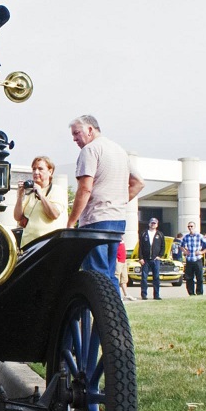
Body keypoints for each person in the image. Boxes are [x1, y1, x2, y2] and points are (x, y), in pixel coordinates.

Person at [67, 115, 145, 289]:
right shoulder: (118, 150)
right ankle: (116, 316)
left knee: (95, 277)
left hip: (95, 221)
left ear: (90, 130)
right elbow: (139, 182)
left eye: (76, 133)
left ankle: (99, 315)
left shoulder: (90, 150)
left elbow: (85, 189)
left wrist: (71, 222)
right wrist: (119, 201)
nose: (74, 139)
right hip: (117, 221)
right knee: (110, 276)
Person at [12, 155, 66, 247]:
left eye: (40, 169)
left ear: (50, 171)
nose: (36, 172)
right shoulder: (31, 194)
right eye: (34, 169)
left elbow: (54, 214)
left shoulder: (57, 190)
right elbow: (17, 217)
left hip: (47, 245)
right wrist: (20, 196)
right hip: (28, 245)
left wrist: (41, 195)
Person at [179, 221, 206, 296]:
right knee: (189, 277)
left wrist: (202, 252)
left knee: (199, 277)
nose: (190, 228)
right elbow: (181, 245)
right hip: (189, 259)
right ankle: (191, 293)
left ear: (194, 227)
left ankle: (199, 292)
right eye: (189, 226)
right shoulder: (186, 237)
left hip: (197, 259)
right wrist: (185, 251)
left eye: (191, 226)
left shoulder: (199, 236)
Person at [138, 217, 165, 300]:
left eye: (154, 223)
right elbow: (140, 247)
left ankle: (156, 295)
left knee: (156, 277)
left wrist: (159, 256)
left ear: (157, 225)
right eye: (151, 223)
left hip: (155, 260)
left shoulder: (160, 234)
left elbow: (163, 246)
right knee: (144, 278)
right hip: (145, 260)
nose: (153, 224)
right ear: (149, 224)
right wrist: (141, 258)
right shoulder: (143, 233)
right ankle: (144, 294)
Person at [115, 236, 133, 300]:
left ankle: (126, 294)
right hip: (118, 261)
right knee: (117, 278)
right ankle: (117, 295)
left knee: (124, 279)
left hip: (123, 260)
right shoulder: (115, 238)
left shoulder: (121, 239)